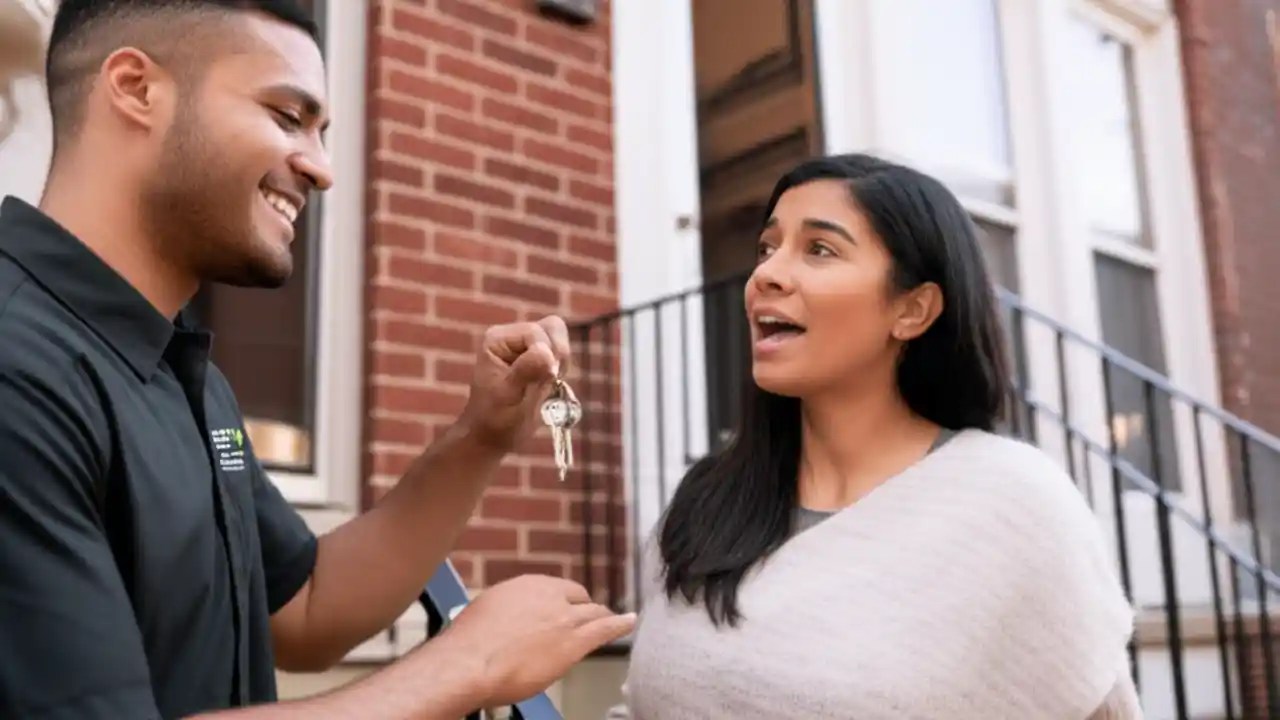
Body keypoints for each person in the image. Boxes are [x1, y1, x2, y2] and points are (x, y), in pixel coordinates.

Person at [0, 1, 633, 718]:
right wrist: (469, 664)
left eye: (322, 131)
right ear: (136, 89)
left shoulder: (182, 375)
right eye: (287, 116)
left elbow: (305, 607)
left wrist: (480, 437)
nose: (323, 169)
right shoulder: (18, 368)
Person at [607, 154, 1141, 719]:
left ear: (913, 310)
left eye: (820, 249)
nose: (765, 275)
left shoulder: (1015, 503)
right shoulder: (704, 505)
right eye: (767, 248)